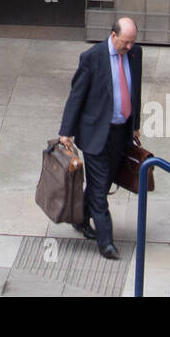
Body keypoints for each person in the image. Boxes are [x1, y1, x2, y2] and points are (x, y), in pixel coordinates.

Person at [58, 16, 144, 259]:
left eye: (132, 42)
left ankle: (80, 218)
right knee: (98, 189)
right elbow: (76, 95)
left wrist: (135, 125)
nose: (129, 47)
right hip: (96, 132)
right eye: (125, 42)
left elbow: (135, 90)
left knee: (104, 182)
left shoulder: (135, 54)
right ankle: (106, 241)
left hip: (121, 131)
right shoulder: (92, 58)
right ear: (113, 36)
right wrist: (66, 131)